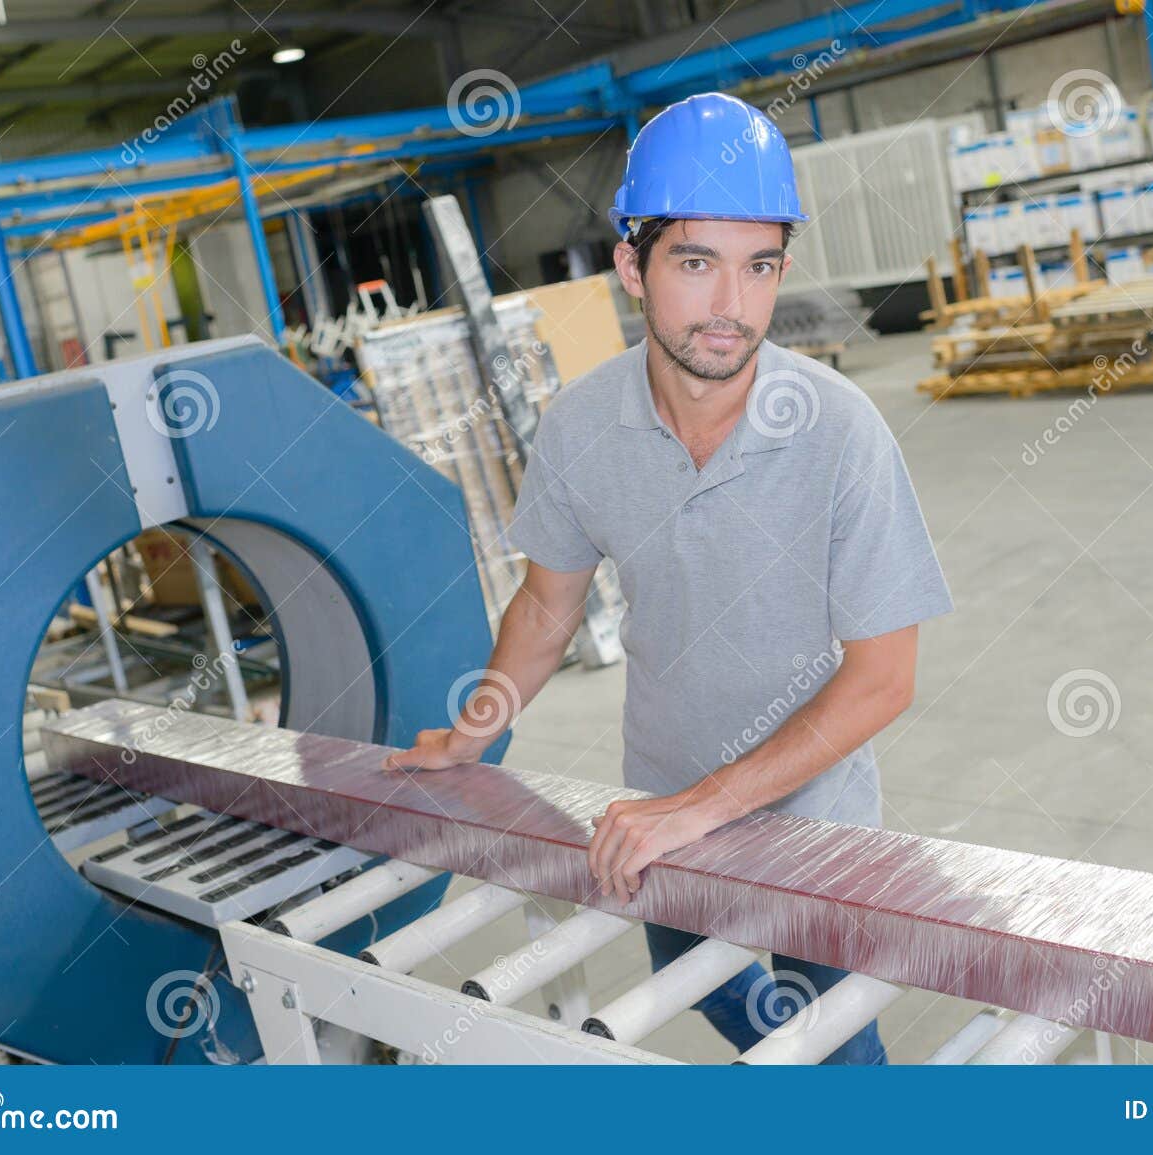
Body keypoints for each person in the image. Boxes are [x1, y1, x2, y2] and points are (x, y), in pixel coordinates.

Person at [384, 92, 953, 1064]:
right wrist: (475, 737)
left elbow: (882, 677)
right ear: (631, 269)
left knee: (837, 1055)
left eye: (759, 265)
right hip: (658, 805)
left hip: (813, 821)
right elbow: (546, 603)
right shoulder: (581, 428)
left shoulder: (838, 430)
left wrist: (708, 804)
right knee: (711, 1001)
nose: (731, 305)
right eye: (696, 263)